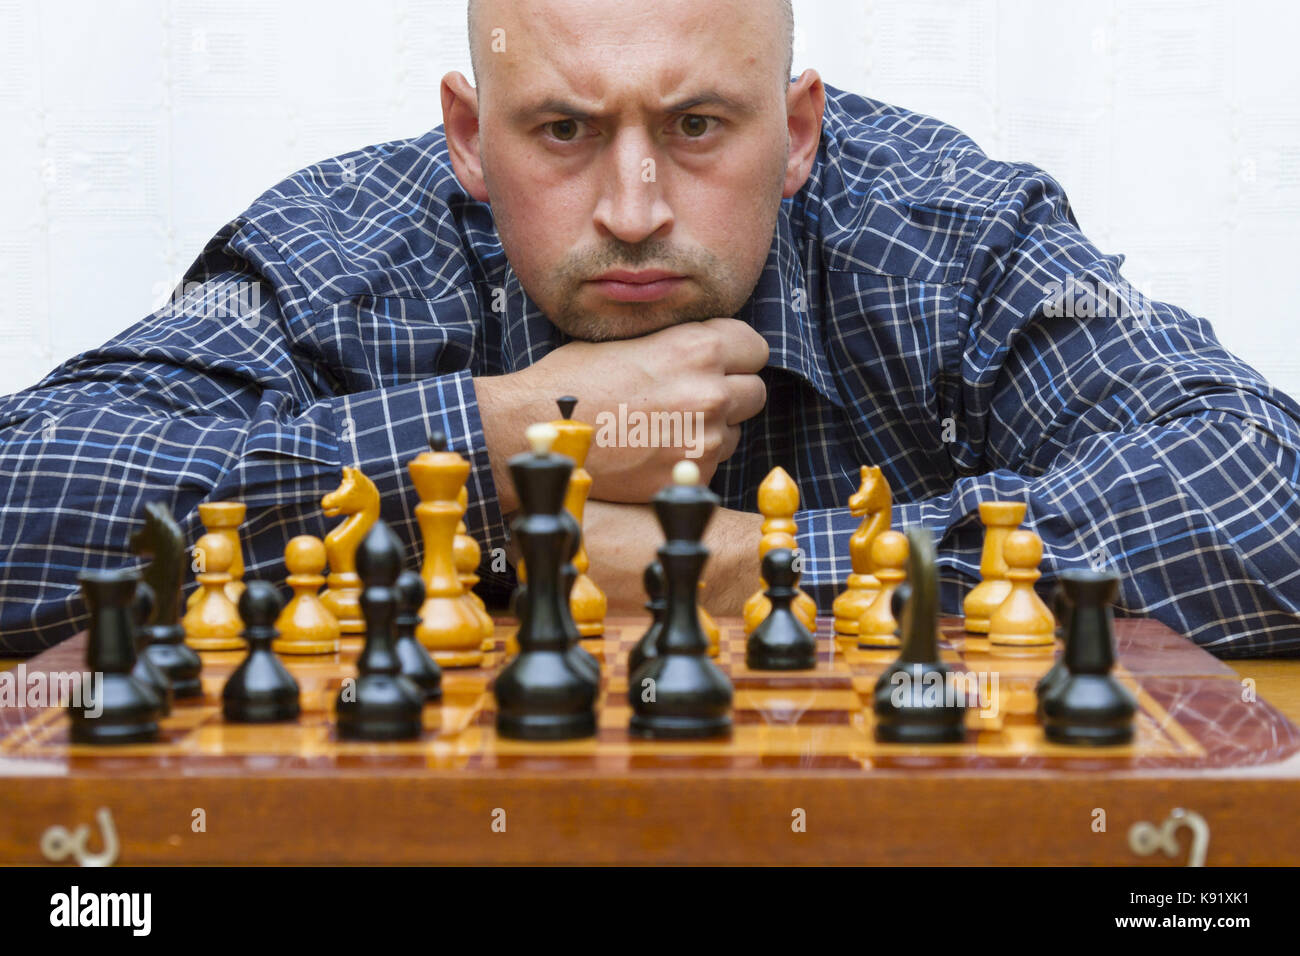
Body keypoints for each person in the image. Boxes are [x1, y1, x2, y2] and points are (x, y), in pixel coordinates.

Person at [1, 0, 1297, 658]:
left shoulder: (950, 235)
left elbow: (1256, 480)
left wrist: (753, 571)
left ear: (795, 132)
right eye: (562, 131)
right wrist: (500, 443)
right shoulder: (338, 250)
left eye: (696, 128)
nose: (632, 211)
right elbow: (25, 498)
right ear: (468, 135)